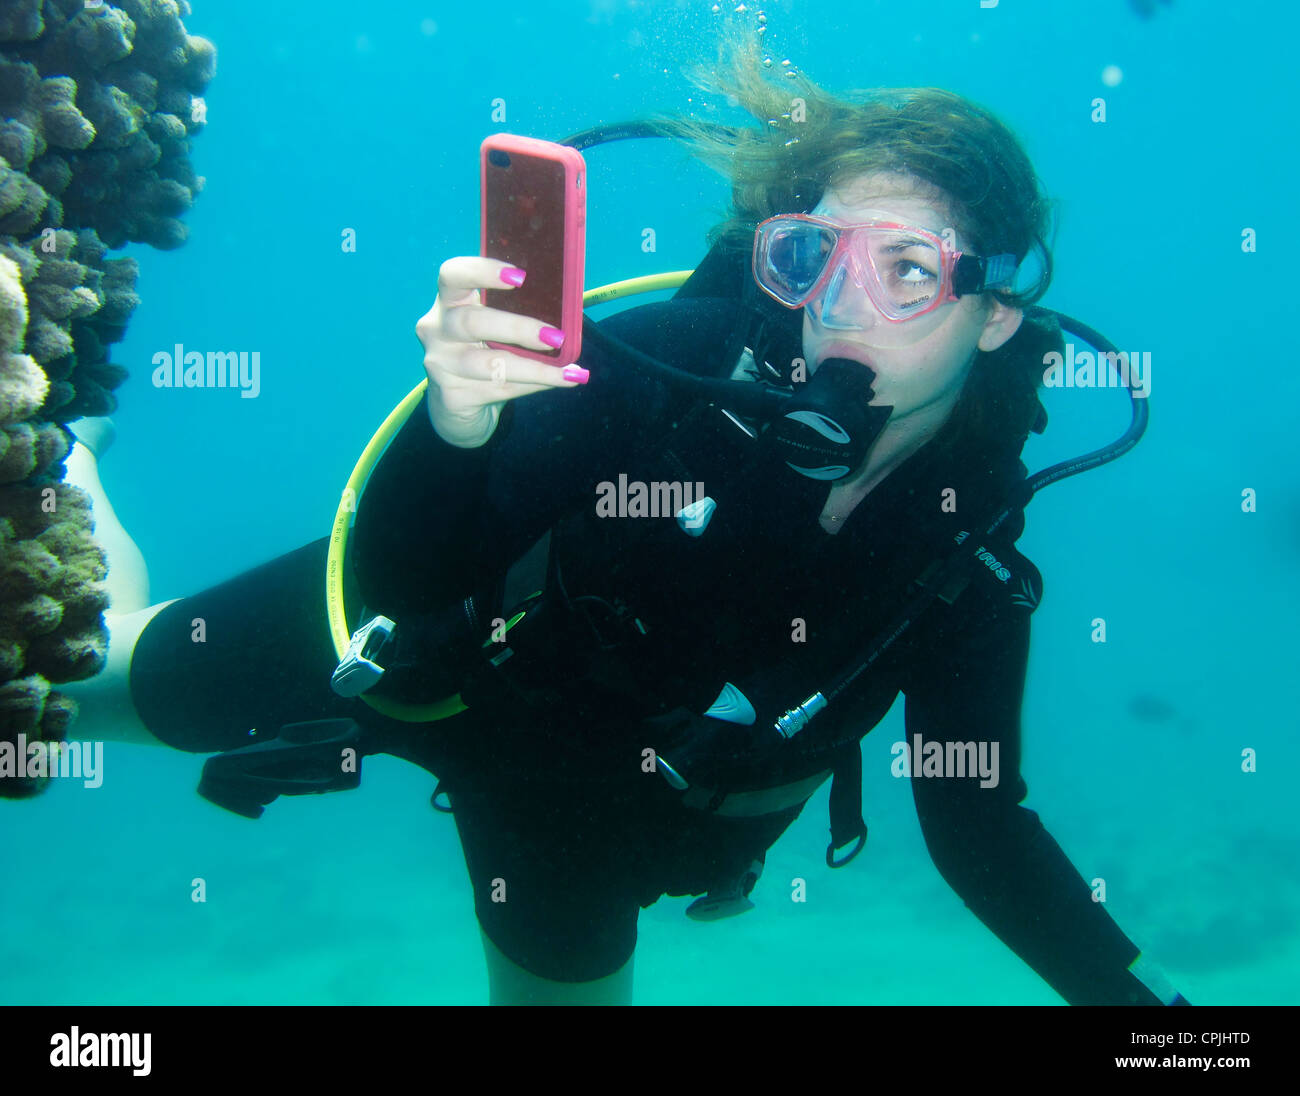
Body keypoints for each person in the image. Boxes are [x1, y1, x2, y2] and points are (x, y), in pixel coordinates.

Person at [59, 56, 1190, 1006]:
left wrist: (1161, 1027)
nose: (841, 306)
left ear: (995, 313)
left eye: (907, 269)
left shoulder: (962, 561)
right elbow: (400, 576)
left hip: (571, 819)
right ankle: (72, 469)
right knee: (66, 670)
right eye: (815, 255)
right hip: (431, 638)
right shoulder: (678, 365)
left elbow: (977, 822)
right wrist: (458, 421)